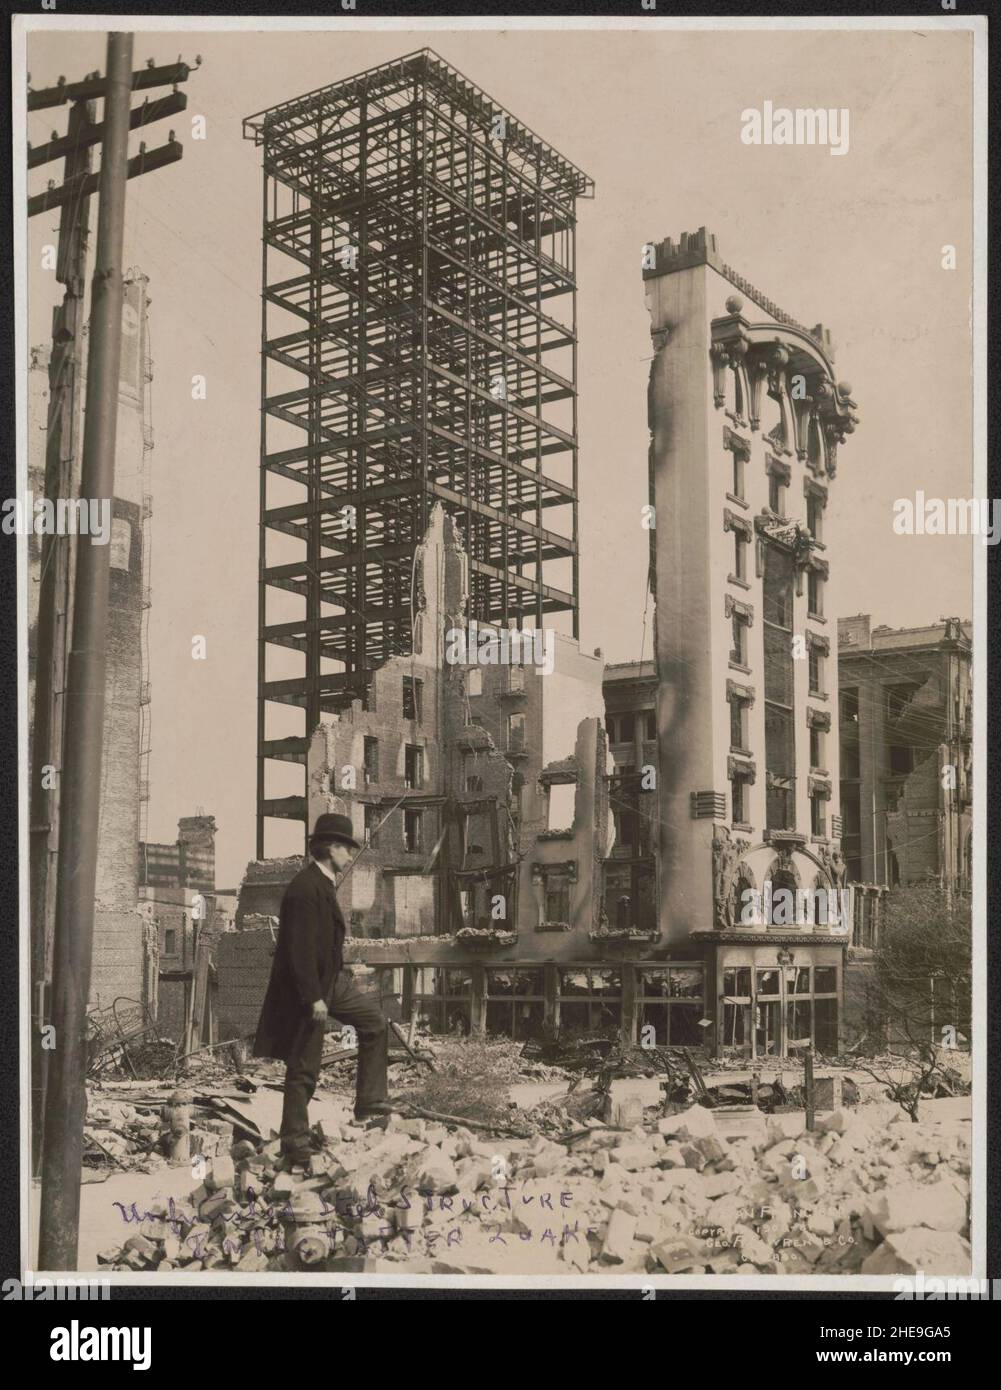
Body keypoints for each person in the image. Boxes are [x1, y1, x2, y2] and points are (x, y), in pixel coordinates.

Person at [253, 812, 392, 1164]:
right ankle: (295, 1142)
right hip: (309, 990)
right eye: (347, 848)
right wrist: (313, 996)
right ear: (331, 848)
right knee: (304, 1065)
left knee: (374, 1022)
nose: (350, 855)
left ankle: (371, 1108)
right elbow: (298, 950)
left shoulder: (323, 883)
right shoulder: (305, 888)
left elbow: (323, 944)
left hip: (331, 983)